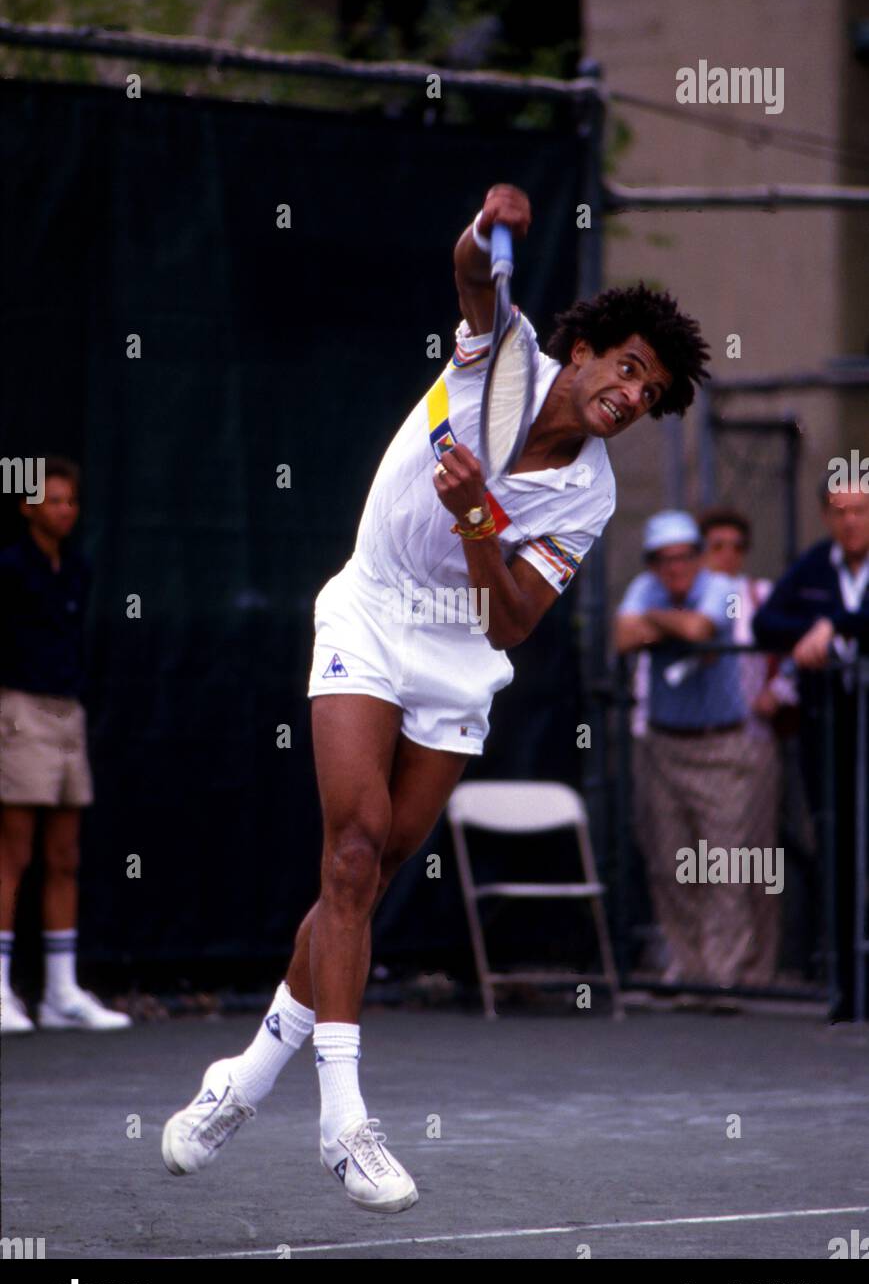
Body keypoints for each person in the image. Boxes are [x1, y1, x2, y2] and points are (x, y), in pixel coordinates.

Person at [162, 183, 710, 1211]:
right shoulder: (503, 358)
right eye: (629, 367)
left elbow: (508, 622)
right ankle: (344, 1121)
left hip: (461, 649)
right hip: (369, 606)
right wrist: (483, 224)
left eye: (652, 393)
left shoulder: (589, 492)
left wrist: (474, 517)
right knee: (355, 849)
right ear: (585, 350)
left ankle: (241, 1080)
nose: (633, 394)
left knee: (357, 888)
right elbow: (470, 274)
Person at [615, 510, 774, 1005]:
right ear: (652, 564)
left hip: (722, 746)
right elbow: (622, 638)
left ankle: (722, 979)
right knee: (670, 863)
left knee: (723, 866)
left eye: (684, 557)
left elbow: (702, 629)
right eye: (664, 560)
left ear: (698, 558)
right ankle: (691, 973)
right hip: (664, 746)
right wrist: (672, 625)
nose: (675, 568)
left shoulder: (721, 588)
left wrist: (657, 625)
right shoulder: (644, 588)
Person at [0, 457, 131, 1033]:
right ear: (27, 506)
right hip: (19, 712)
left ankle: (59, 993)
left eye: (72, 501)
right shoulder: (8, 567)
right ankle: (0, 991)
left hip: (67, 716)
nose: (66, 510)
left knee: (63, 858)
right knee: (13, 856)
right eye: (54, 500)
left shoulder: (76, 570)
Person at [753, 480, 869, 1022]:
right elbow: (764, 623)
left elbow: (848, 624)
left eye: (862, 512)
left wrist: (835, 625)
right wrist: (812, 629)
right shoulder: (815, 566)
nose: (851, 523)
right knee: (838, 852)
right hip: (831, 734)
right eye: (841, 512)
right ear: (826, 516)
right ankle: (846, 984)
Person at [699, 505, 791, 986]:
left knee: (753, 853)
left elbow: (794, 650)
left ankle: (756, 966)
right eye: (717, 546)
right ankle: (704, 965)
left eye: (736, 546)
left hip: (750, 738)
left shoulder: (762, 596)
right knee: (698, 857)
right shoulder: (686, 598)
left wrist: (776, 694)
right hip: (695, 740)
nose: (728, 555)